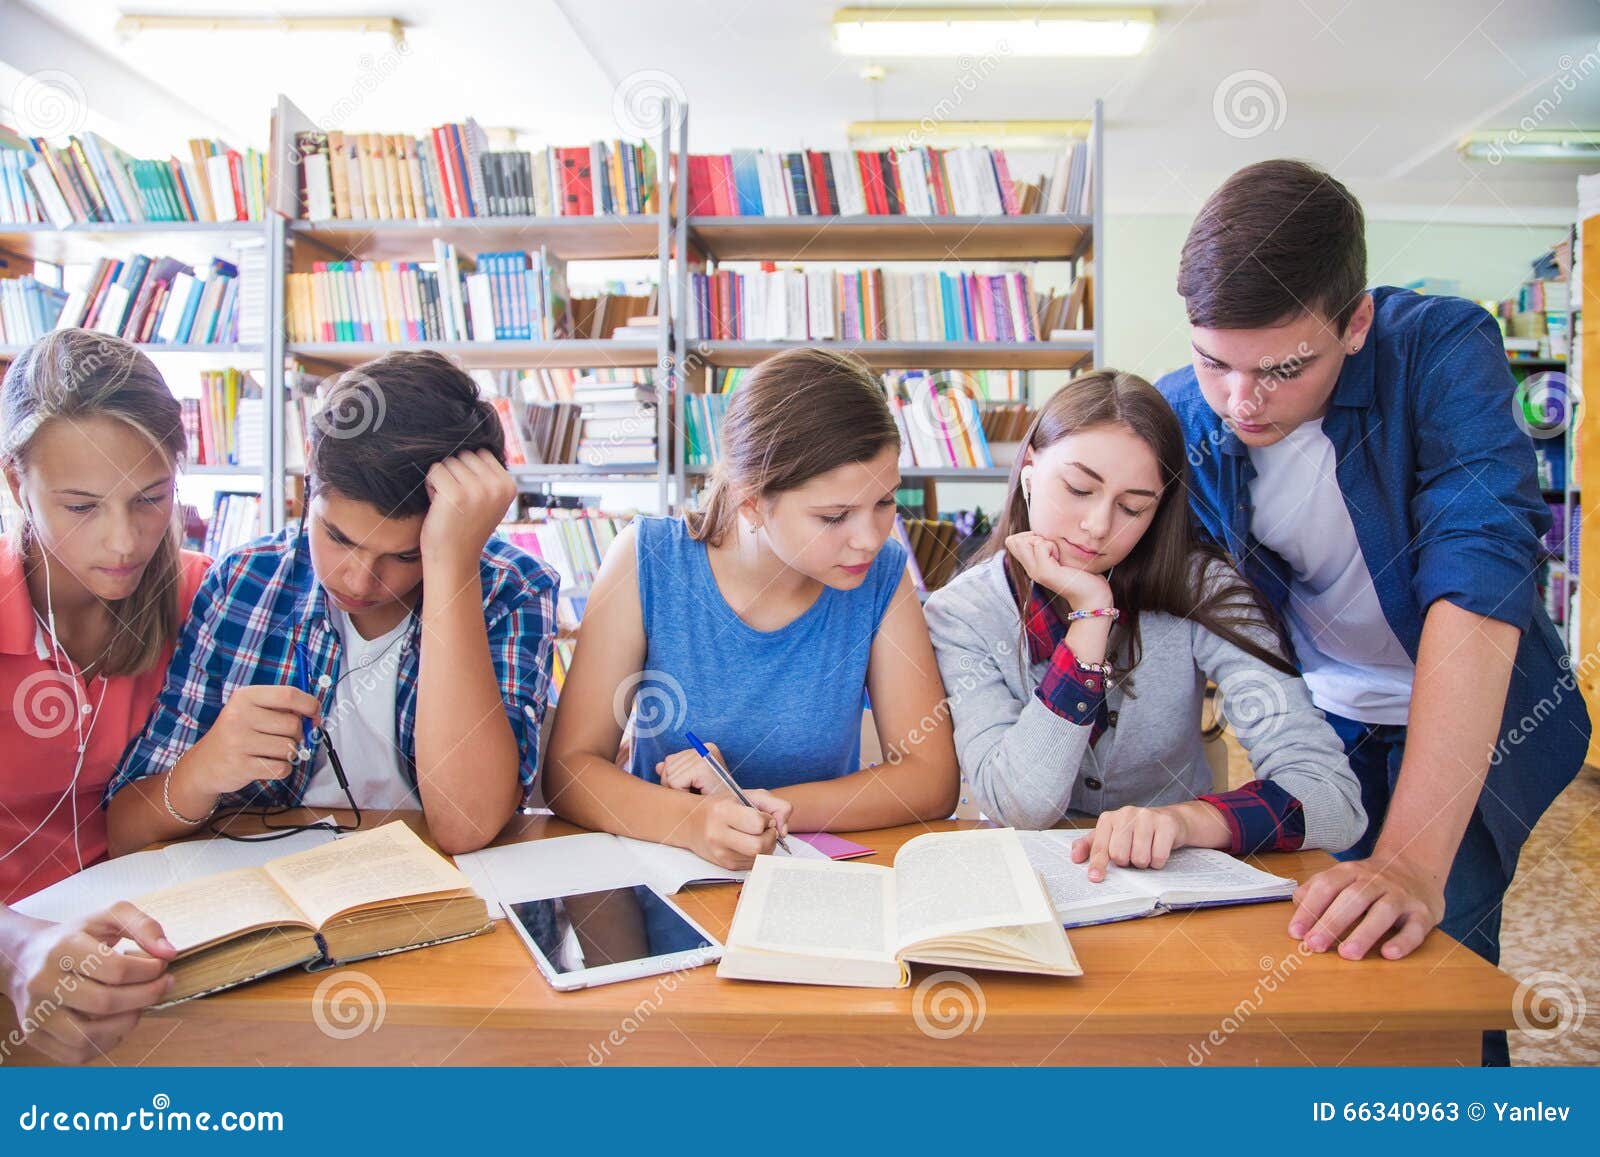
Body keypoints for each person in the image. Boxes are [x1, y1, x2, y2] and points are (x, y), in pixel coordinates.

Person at [1157, 159, 1589, 1065]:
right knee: (1317, 966)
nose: (1241, 402)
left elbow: (1482, 572)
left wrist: (1411, 862)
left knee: (1432, 967)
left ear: (1355, 322)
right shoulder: (1182, 409)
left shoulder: (1439, 347)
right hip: (1326, 721)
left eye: (1281, 368)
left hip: (1482, 710)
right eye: (1213, 362)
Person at [105, 350, 558, 857]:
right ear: (308, 490)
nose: (359, 580)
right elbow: (125, 830)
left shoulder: (511, 590)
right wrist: (201, 770)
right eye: (338, 537)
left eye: (406, 555)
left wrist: (452, 564)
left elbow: (465, 826)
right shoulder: (246, 580)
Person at [926, 369, 1365, 875]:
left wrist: (1187, 821)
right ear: (1028, 474)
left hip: (1174, 885)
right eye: (1078, 489)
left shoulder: (1203, 587)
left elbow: (1334, 801)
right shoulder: (961, 614)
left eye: (1133, 507)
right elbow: (1022, 806)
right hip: (1025, 884)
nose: (1097, 527)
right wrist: (1091, 618)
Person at [544, 347, 958, 869]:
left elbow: (930, 778)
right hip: (667, 879)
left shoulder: (882, 575)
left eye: (885, 502)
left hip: (808, 882)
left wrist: (763, 807)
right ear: (750, 501)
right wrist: (693, 822)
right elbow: (569, 771)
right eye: (834, 517)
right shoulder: (645, 559)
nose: (871, 539)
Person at [1, 330, 208, 1062]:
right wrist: (17, 947)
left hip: (161, 967)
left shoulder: (202, 595)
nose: (125, 541)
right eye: (82, 505)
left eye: (151, 499)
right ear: (13, 480)